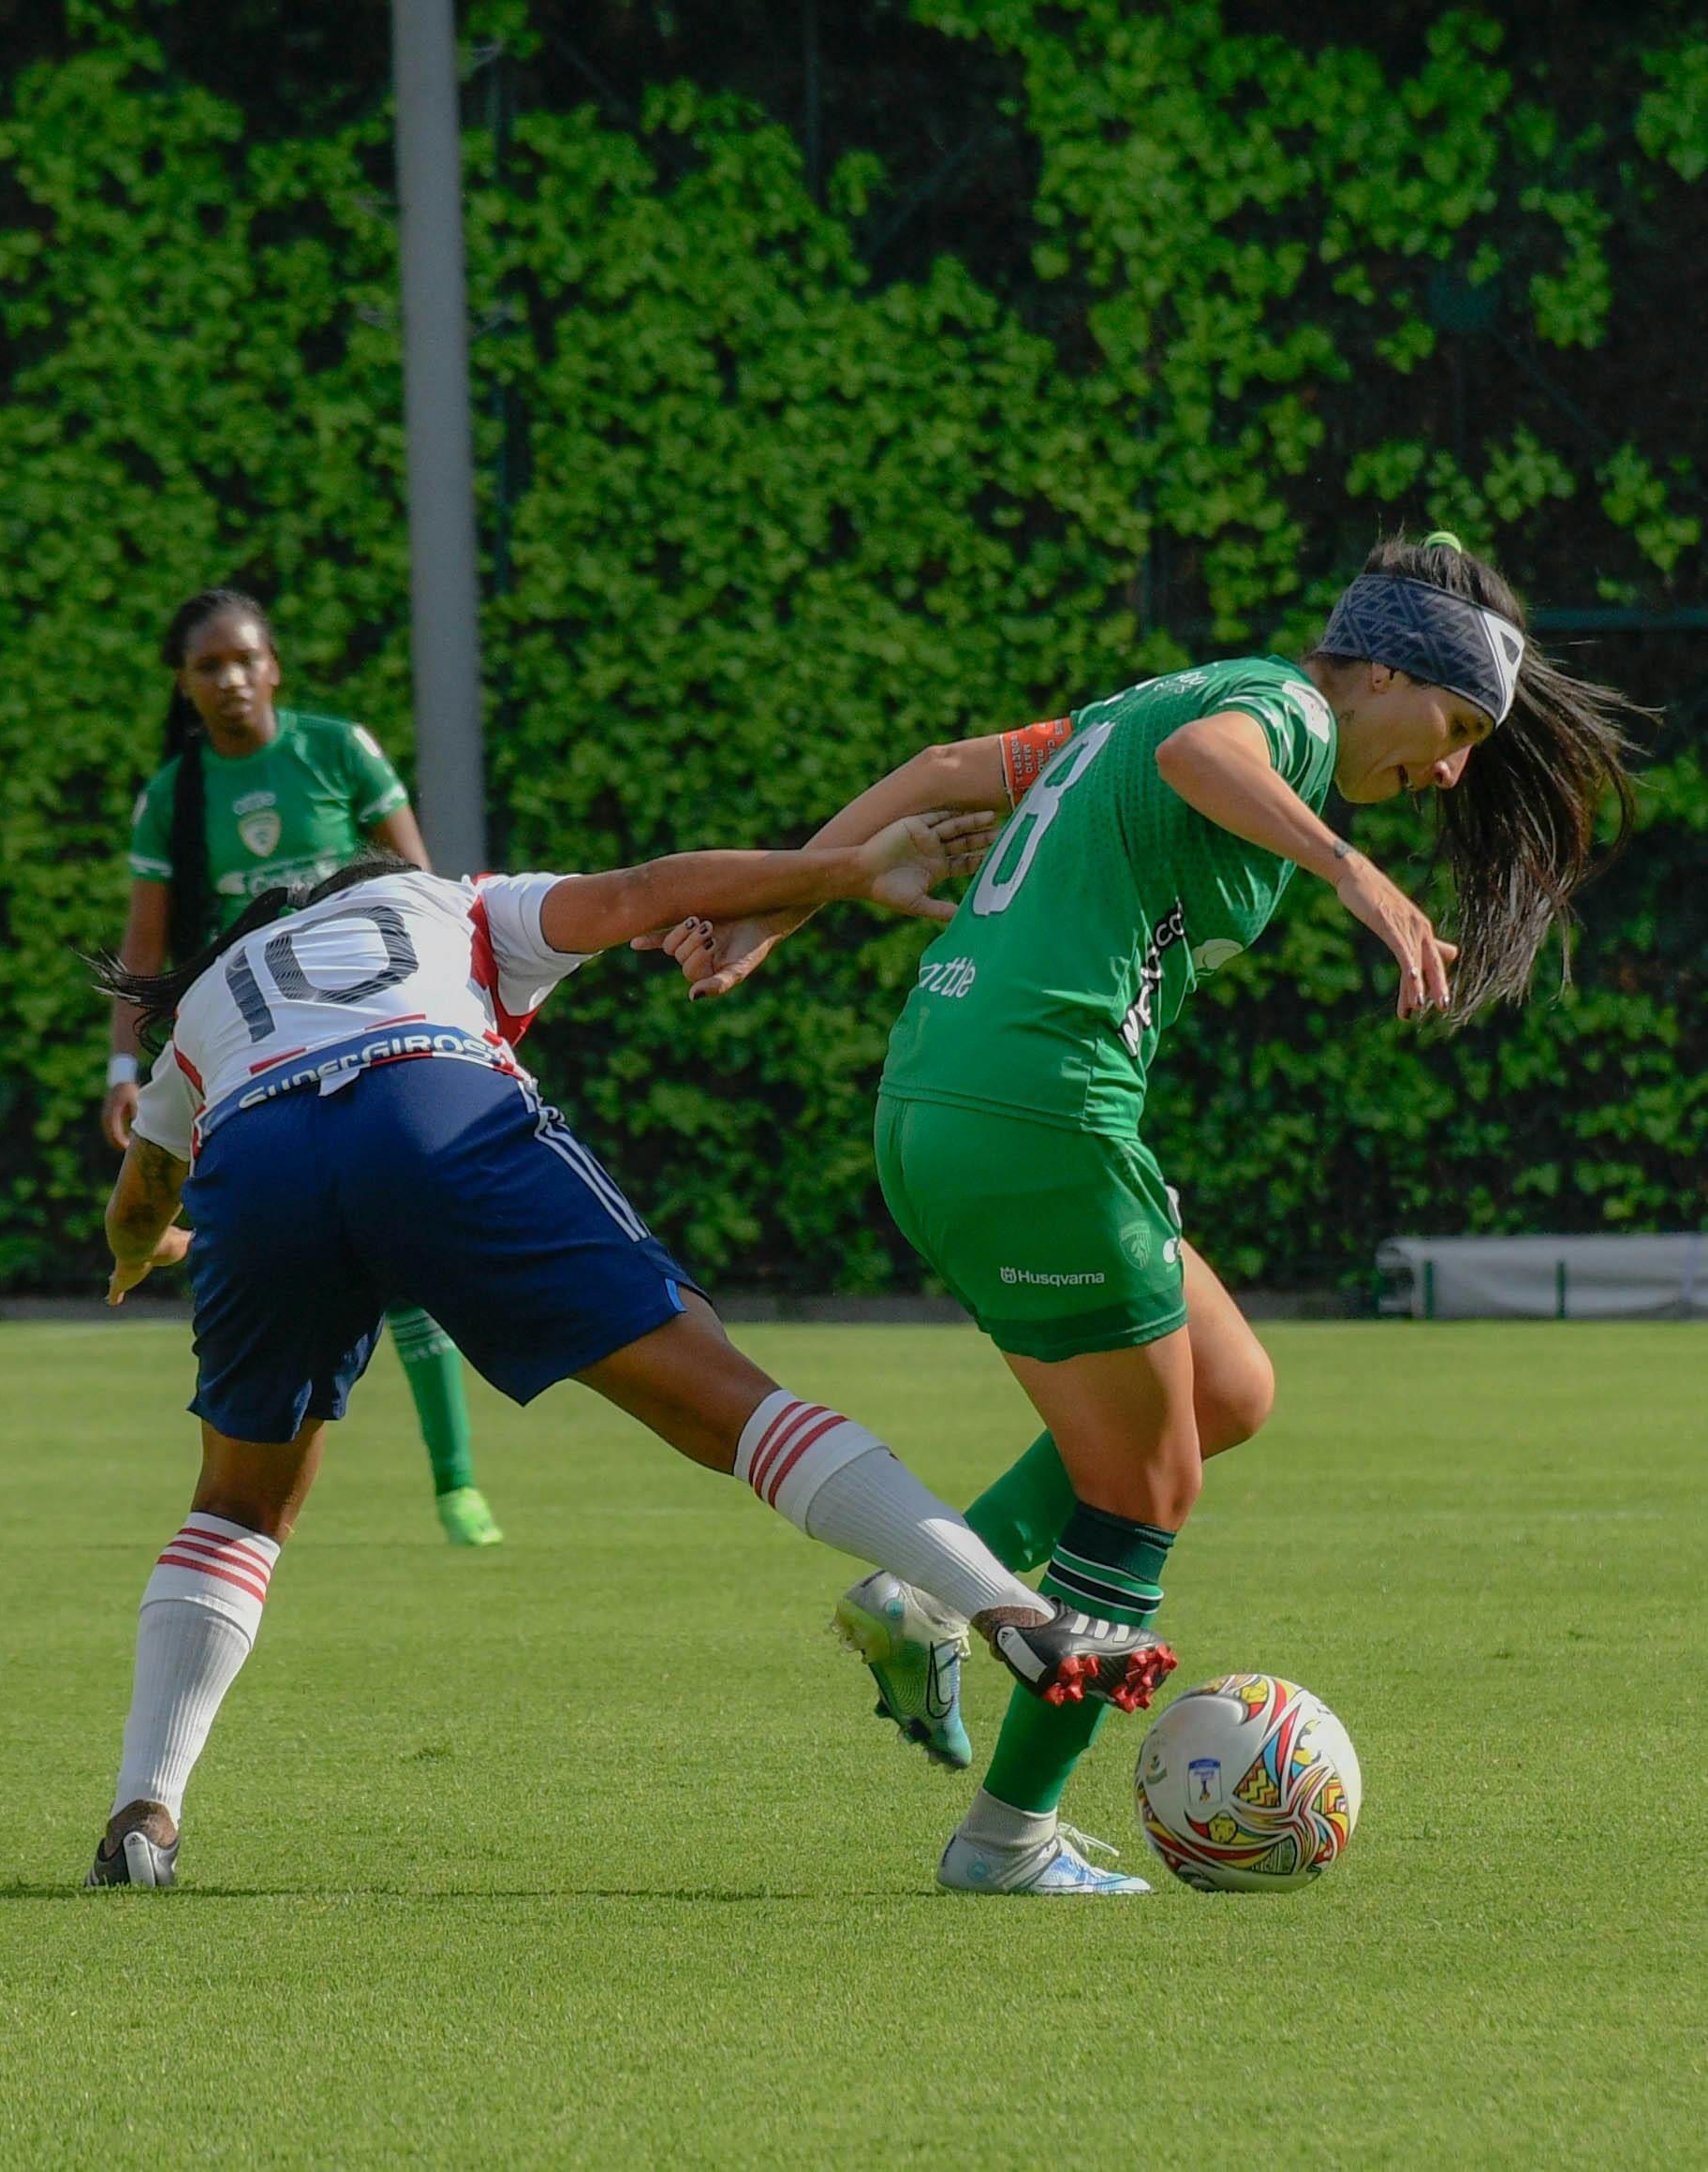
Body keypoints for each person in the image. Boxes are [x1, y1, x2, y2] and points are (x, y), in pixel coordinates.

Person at [640, 532, 1642, 1896]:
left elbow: (945, 773)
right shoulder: (1280, 715)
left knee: (1226, 1383)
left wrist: (780, 906)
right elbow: (1203, 767)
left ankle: (927, 1592)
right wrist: (1350, 873)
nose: (1449, 766)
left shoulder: (1138, 702)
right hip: (1041, 1110)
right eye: (1451, 722)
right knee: (1144, 1486)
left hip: (945, 1093)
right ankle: (1006, 1839)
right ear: (1380, 669)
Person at [81, 820, 1176, 1889]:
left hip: (261, 1156)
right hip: (431, 1104)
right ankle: (1011, 1614)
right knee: (731, 1406)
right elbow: (646, 889)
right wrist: (844, 869)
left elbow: (142, 1196)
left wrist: (144, 1256)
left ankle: (145, 1808)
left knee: (237, 1508)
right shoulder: (444, 899)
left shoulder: (214, 993)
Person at [103, 588, 503, 1548]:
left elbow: (428, 890)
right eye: (210, 666)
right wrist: (124, 1064)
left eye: (246, 659)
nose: (231, 680)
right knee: (294, 1236)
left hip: (371, 1026)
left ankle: (456, 1485)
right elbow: (148, 942)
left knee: (392, 1240)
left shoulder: (336, 749)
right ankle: (251, 1465)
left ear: (275, 666)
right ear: (185, 684)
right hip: (251, 1043)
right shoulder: (175, 794)